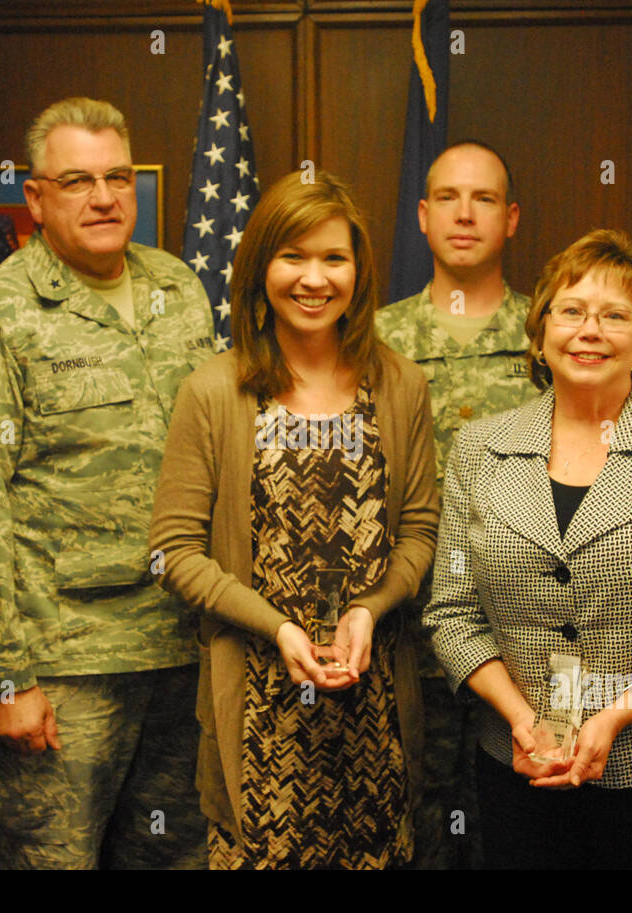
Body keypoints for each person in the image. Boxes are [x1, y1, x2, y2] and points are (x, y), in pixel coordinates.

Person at [425, 228, 632, 869]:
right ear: (541, 329)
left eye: (616, 316)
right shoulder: (480, 447)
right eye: (571, 310)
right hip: (525, 767)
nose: (590, 330)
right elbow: (452, 615)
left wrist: (614, 716)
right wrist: (523, 719)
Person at [0, 97, 214, 869]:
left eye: (118, 177)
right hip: (65, 669)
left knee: (179, 856)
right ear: (36, 198)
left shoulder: (178, 290)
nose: (103, 197)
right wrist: (8, 677)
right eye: (78, 180)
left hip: (183, 647)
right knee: (53, 860)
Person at [149, 170, 439, 869]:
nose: (315, 279)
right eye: (293, 256)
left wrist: (371, 610)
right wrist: (275, 627)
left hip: (374, 713)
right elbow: (171, 552)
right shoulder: (214, 390)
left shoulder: (401, 385)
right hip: (256, 714)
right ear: (260, 268)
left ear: (359, 269)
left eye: (333, 258)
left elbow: (423, 530)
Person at [376, 140, 535, 869]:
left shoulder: (556, 336)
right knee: (417, 813)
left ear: (511, 219)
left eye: (483, 199)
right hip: (407, 627)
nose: (464, 214)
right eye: (447, 197)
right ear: (421, 215)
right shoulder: (374, 342)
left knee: (523, 809)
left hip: (529, 629)